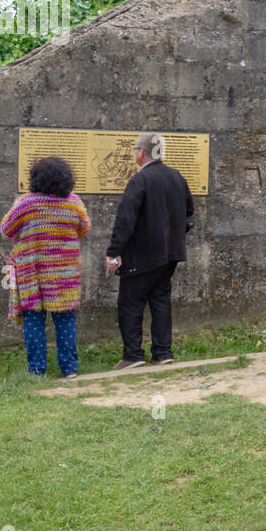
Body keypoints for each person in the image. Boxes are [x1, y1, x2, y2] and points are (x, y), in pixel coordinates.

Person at [105, 133, 194, 369]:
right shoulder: (177, 177)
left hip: (142, 255)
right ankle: (163, 352)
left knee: (130, 303)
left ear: (141, 153)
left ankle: (132, 355)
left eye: (135, 150)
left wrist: (114, 252)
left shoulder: (140, 180)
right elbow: (189, 214)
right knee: (161, 300)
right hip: (170, 255)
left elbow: (125, 220)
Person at [0, 156, 91, 378]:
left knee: (33, 320)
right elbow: (84, 228)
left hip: (32, 273)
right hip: (64, 273)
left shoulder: (26, 203)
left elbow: (6, 230)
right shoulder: (74, 202)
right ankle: (70, 369)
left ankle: (37, 370)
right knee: (65, 319)